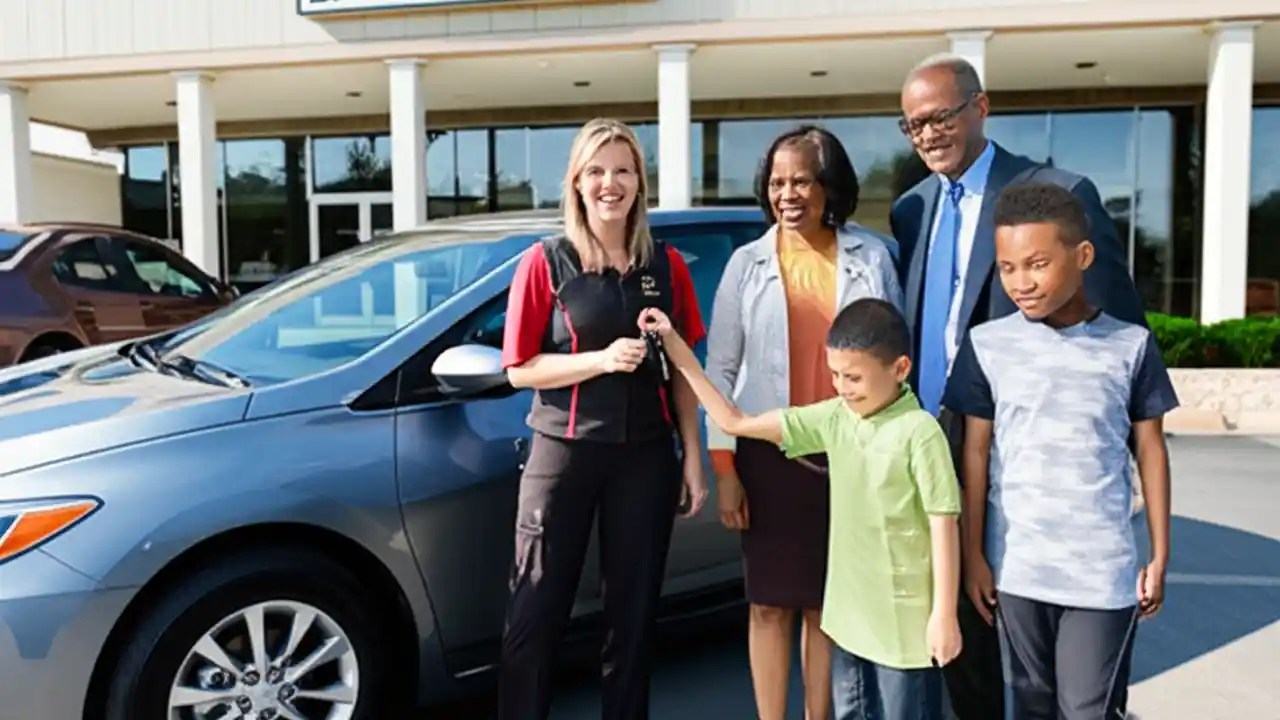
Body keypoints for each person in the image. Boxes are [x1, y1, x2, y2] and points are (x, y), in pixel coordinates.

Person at [889, 53, 1148, 719]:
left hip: (1035, 464)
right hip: (935, 440)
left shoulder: (1058, 194)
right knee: (964, 638)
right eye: (913, 125)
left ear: (981, 107)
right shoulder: (912, 209)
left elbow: (1118, 336)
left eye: (940, 116)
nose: (928, 134)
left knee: (1069, 689)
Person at [642, 298, 962, 720]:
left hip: (904, 636)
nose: (842, 388)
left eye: (854, 377)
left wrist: (944, 615)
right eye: (835, 375)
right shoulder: (836, 417)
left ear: (900, 369)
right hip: (847, 626)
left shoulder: (920, 433)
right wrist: (674, 344)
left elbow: (943, 525)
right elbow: (734, 421)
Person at [496, 117, 709, 720]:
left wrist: (692, 454)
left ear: (640, 182)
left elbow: (684, 367)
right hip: (562, 456)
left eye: (622, 170)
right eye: (596, 171)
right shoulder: (545, 263)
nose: (609, 183)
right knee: (533, 616)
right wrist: (599, 360)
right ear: (576, 182)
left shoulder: (666, 267)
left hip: (645, 456)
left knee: (634, 619)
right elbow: (520, 368)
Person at [941, 182, 1177, 718]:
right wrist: (973, 554)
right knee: (1029, 706)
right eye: (1007, 268)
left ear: (1083, 256)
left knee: (1088, 711)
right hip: (1018, 571)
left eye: (1037, 264)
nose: (1021, 282)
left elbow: (1152, 449)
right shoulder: (988, 346)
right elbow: (975, 456)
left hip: (1101, 574)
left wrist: (1160, 555)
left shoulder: (1130, 346)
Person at [702, 124, 903, 720]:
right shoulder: (747, 264)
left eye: (802, 181)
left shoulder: (873, 258)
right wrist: (726, 468)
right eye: (777, 182)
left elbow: (894, 362)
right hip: (770, 454)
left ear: (829, 187)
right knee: (768, 604)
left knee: (825, 606)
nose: (787, 194)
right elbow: (720, 367)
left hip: (849, 454)